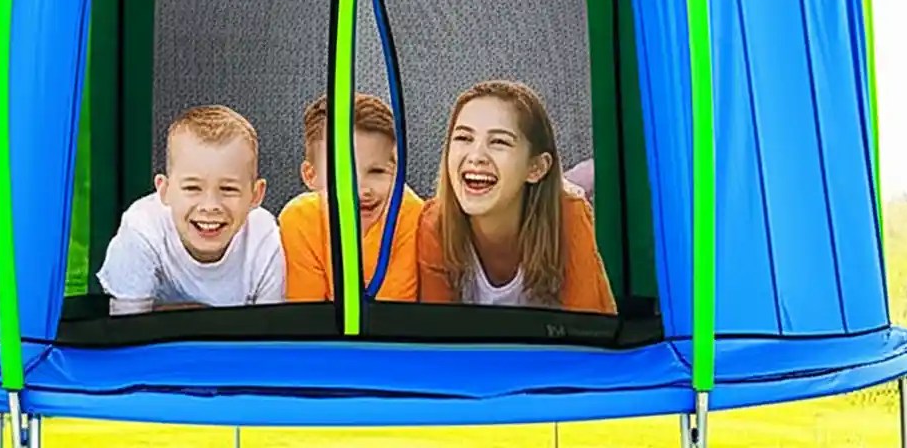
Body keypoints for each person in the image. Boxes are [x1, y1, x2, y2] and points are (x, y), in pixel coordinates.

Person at [417, 80, 616, 314]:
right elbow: (435, 336)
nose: (476, 156)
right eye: (463, 138)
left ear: (536, 168)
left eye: (499, 141)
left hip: (547, 351)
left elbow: (590, 327)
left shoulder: (570, 217)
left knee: (588, 179)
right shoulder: (434, 225)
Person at [96, 105, 285, 315]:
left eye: (229, 189)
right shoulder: (142, 229)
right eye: (192, 188)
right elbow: (125, 327)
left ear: (256, 195)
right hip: (158, 346)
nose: (210, 206)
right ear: (164, 190)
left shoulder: (264, 239)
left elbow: (268, 332)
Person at [278, 93, 423, 302]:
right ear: (311, 176)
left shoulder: (413, 216)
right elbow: (308, 317)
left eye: (377, 172)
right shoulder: (299, 220)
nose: (361, 190)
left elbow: (393, 317)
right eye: (344, 173)